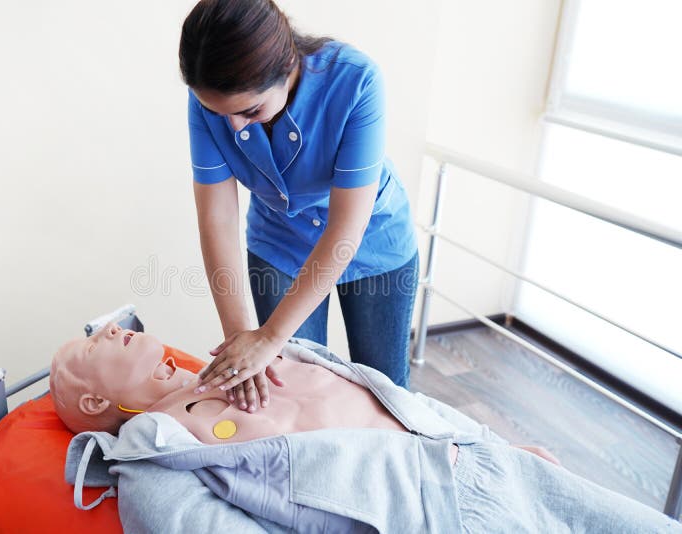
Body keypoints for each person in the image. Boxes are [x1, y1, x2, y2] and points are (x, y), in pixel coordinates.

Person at [52, 323, 682, 533]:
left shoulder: (254, 350)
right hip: (423, 516)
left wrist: (499, 445)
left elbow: (390, 397)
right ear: (90, 404)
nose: (104, 330)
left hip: (488, 466)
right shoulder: (154, 452)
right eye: (87, 348)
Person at [179, 0, 419, 411]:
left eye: (249, 110)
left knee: (386, 393)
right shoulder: (212, 102)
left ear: (287, 64)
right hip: (279, 244)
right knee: (293, 389)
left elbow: (346, 229)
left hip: (373, 241)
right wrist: (242, 340)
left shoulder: (356, 81)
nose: (233, 126)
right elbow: (216, 217)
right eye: (220, 113)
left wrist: (270, 337)